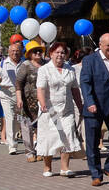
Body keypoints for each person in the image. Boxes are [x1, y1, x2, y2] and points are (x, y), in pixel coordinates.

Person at [79, 32, 109, 187]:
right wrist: (89, 102)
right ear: (100, 45)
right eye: (108, 45)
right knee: (92, 142)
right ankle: (96, 174)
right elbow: (85, 83)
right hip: (95, 107)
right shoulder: (89, 60)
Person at [36, 42, 84, 178]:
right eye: (57, 52)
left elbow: (75, 90)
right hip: (49, 111)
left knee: (68, 136)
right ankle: (47, 167)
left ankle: (65, 168)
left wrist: (80, 106)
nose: (60, 55)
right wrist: (42, 103)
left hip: (67, 110)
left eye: (62, 52)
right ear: (51, 54)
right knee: (49, 139)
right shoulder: (44, 70)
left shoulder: (70, 69)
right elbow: (40, 89)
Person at [0, 38, 25, 154]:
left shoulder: (24, 63)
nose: (15, 53)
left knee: (17, 120)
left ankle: (17, 139)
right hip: (6, 93)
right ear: (9, 52)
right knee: (9, 118)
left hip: (20, 94)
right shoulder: (2, 64)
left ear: (21, 52)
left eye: (17, 51)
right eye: (13, 51)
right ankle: (12, 146)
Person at [16, 42, 44, 161]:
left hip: (42, 100)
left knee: (42, 127)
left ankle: (41, 151)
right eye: (35, 51)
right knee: (27, 127)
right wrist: (19, 98)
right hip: (27, 101)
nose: (38, 53)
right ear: (29, 54)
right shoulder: (25, 65)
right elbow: (18, 84)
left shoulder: (46, 64)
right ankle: (29, 152)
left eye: (39, 51)